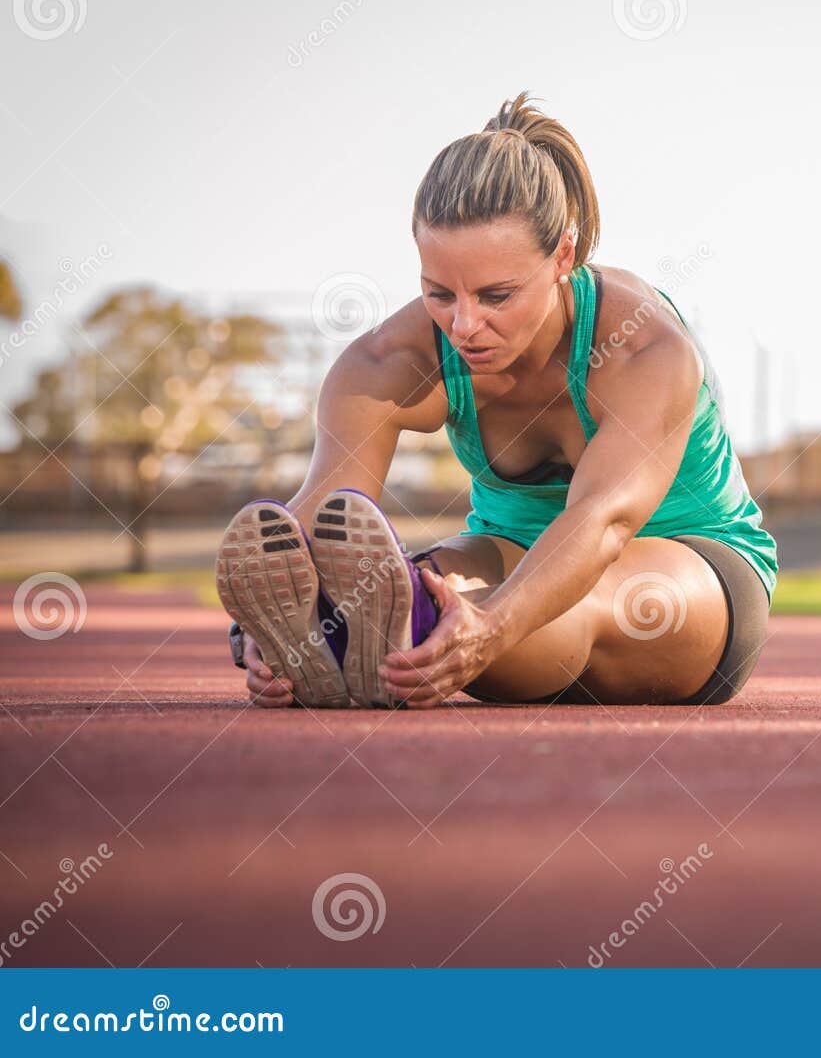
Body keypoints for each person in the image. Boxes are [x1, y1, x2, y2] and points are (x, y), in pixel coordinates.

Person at [214, 93, 777, 710]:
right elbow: (320, 516)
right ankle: (390, 632)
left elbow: (603, 522)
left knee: (575, 596)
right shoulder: (386, 362)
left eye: (496, 295)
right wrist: (285, 633)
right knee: (413, 580)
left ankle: (414, 634)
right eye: (439, 293)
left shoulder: (643, 350)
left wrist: (493, 626)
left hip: (688, 574)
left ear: (563, 255)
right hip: (506, 550)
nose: (463, 326)